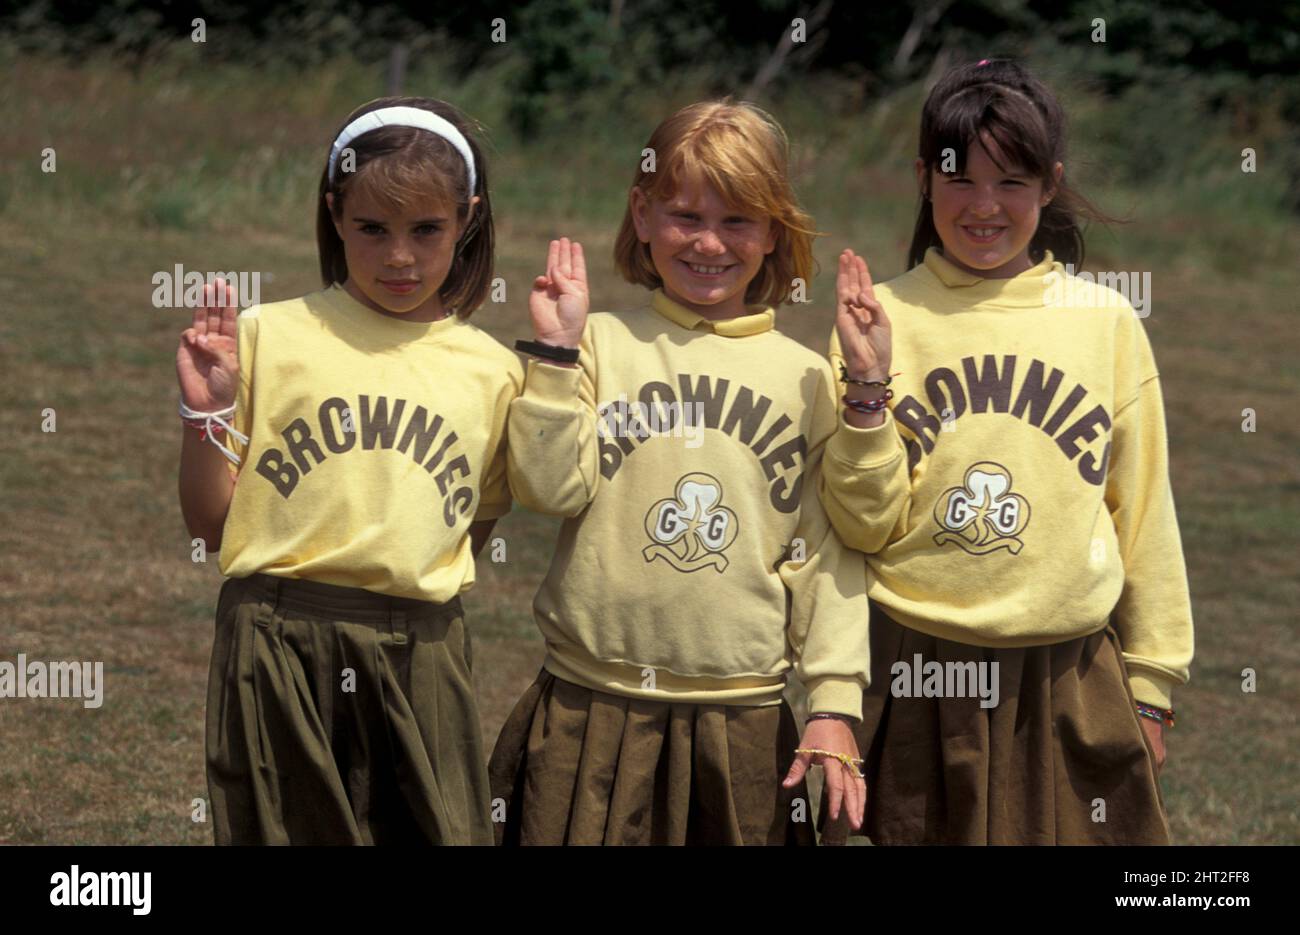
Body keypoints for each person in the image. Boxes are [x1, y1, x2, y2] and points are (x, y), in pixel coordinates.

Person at [821, 59, 1194, 844]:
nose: (983, 206)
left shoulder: (1105, 322)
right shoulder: (880, 316)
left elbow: (1144, 508)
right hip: (917, 664)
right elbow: (859, 525)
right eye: (959, 178)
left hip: (1066, 670)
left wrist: (1153, 682)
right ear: (924, 177)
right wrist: (866, 388)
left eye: (1013, 182)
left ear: (1050, 184)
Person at [489, 100, 869, 846]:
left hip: (744, 716)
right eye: (686, 215)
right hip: (590, 701)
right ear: (641, 212)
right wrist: (557, 360)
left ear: (773, 232)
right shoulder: (599, 343)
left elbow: (829, 556)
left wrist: (832, 699)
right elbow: (546, 488)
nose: (708, 243)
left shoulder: (807, 378)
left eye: (737, 222)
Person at [176, 96, 521, 844]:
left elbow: (470, 534)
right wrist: (206, 412)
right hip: (276, 639)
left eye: (426, 229)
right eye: (373, 228)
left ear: (467, 218)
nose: (399, 255)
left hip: (420, 650)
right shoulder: (267, 336)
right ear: (335, 215)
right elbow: (207, 523)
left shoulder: (494, 372)